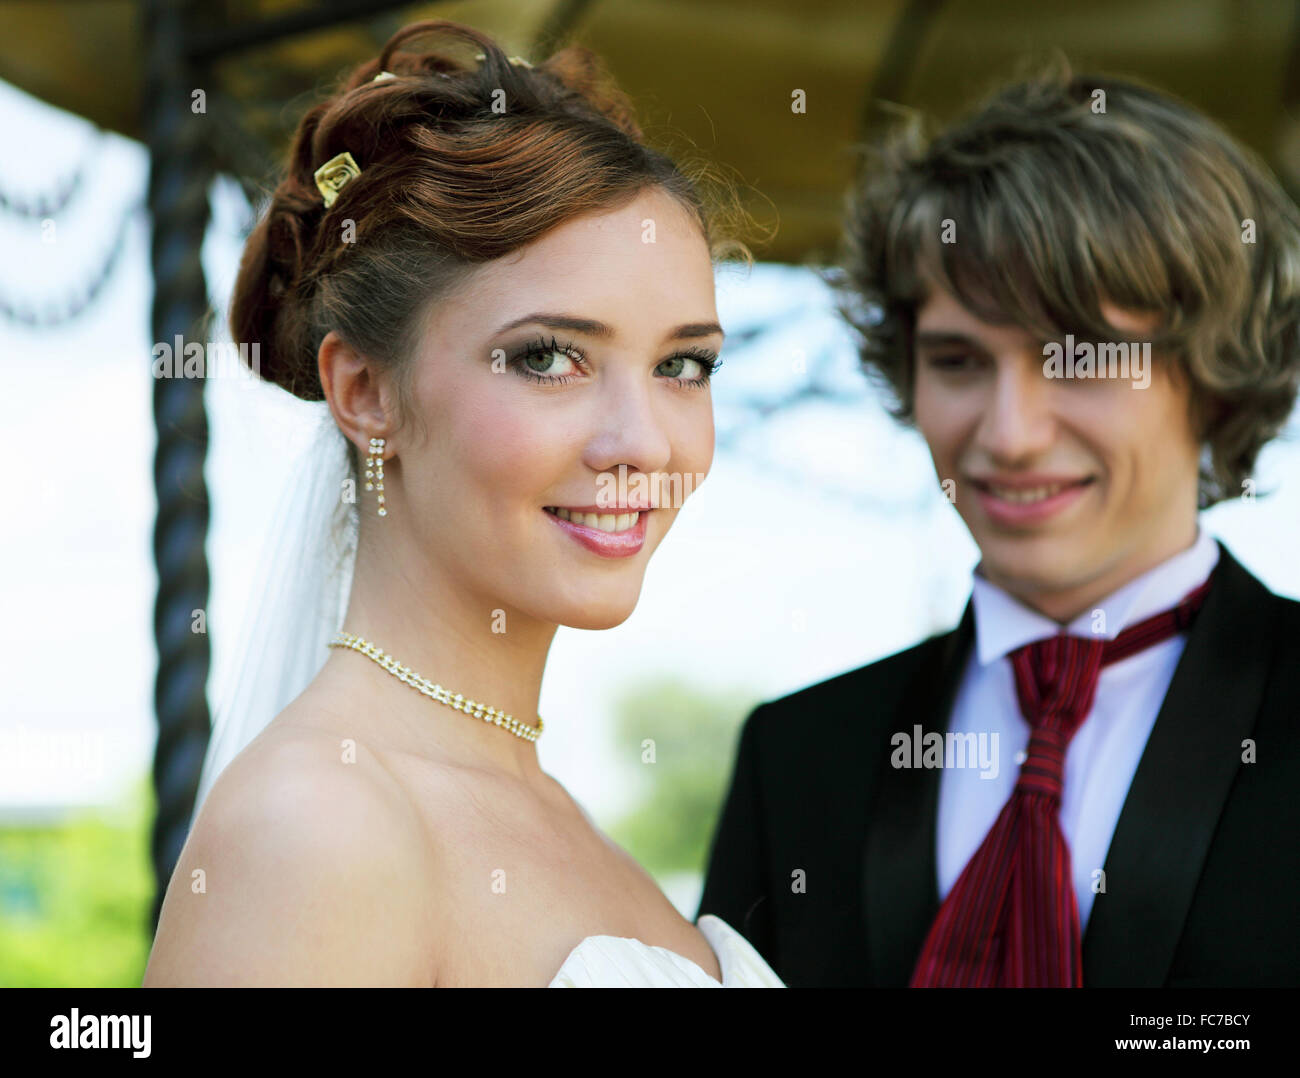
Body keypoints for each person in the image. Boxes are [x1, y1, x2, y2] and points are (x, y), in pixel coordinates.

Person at [142, 19, 782, 988]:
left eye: (681, 365)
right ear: (364, 392)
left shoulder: (555, 816)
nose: (643, 441)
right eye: (548, 357)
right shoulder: (320, 827)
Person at [698, 63, 1300, 987]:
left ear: (1215, 380)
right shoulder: (800, 755)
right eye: (958, 359)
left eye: (1081, 359)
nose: (1010, 435)